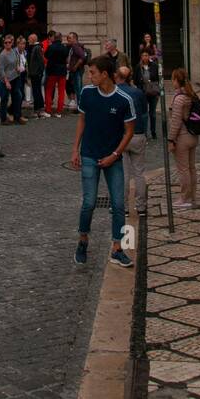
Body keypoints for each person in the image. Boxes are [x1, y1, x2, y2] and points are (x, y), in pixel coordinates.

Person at [71, 56, 136, 268]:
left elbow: (129, 131)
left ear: (105, 74)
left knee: (118, 204)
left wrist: (115, 155)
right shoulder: (87, 93)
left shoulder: (124, 99)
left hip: (113, 157)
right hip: (89, 154)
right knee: (88, 202)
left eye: (93, 73)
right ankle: (83, 240)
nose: (90, 77)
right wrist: (75, 149)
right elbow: (81, 120)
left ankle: (118, 248)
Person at [117, 64, 148, 216]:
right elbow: (143, 112)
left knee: (123, 173)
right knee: (139, 173)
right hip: (138, 133)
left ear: (118, 76)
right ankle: (141, 207)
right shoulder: (138, 92)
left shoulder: (114, 93)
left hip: (121, 136)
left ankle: (124, 207)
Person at [168, 68, 199, 209]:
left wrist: (171, 140)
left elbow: (176, 122)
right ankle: (192, 197)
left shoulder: (179, 98)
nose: (172, 82)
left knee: (184, 170)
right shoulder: (191, 95)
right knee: (191, 168)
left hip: (182, 138)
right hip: (193, 136)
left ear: (177, 81)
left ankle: (185, 198)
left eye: (173, 79)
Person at [0, 34, 26, 124]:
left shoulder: (13, 51)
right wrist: (6, 82)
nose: (7, 44)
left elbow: (16, 61)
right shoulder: (2, 55)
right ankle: (3, 119)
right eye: (5, 43)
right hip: (6, 79)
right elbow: (1, 70)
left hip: (16, 77)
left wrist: (17, 67)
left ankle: (17, 116)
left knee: (18, 97)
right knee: (4, 99)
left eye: (9, 42)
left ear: (12, 43)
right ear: (3, 44)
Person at [135, 50, 161, 140]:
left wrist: (148, 77)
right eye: (143, 55)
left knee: (152, 113)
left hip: (153, 92)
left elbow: (157, 77)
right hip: (143, 92)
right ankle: (144, 132)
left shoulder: (154, 65)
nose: (145, 57)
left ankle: (153, 132)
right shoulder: (138, 66)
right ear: (141, 57)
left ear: (149, 56)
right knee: (144, 113)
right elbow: (135, 79)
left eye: (146, 55)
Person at [44, 32, 69, 117]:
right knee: (61, 92)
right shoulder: (64, 48)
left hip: (52, 71)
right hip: (62, 71)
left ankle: (48, 110)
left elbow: (46, 55)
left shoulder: (51, 47)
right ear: (61, 38)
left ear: (54, 38)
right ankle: (59, 111)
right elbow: (66, 57)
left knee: (49, 91)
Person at [66, 32, 87, 111]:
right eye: (68, 38)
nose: (68, 40)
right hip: (75, 71)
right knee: (77, 88)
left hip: (77, 71)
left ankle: (80, 107)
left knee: (78, 89)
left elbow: (82, 57)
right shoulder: (73, 46)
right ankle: (80, 106)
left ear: (75, 38)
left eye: (70, 38)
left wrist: (75, 66)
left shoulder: (75, 46)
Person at [27, 34, 47, 119]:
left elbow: (41, 61)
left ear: (33, 39)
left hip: (36, 73)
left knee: (36, 92)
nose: (28, 40)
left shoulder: (37, 48)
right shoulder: (33, 47)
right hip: (34, 73)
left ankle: (38, 111)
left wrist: (40, 72)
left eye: (29, 39)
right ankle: (39, 110)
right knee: (36, 91)